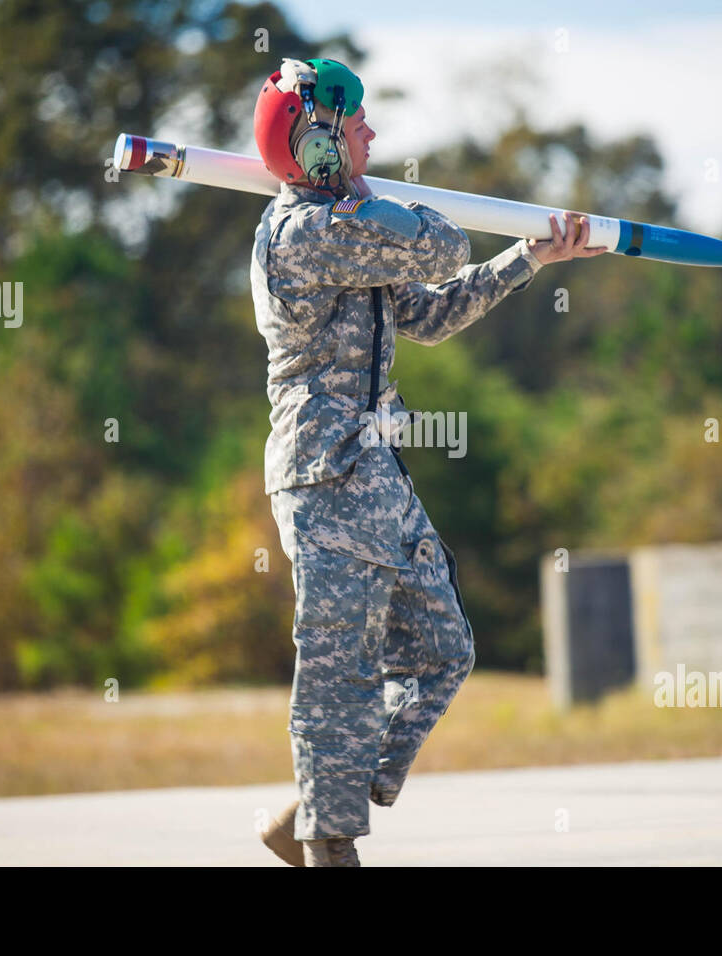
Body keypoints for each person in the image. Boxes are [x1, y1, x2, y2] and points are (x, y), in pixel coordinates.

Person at [248, 57, 605, 867]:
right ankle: (329, 840)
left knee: (444, 650)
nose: (372, 131)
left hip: (378, 475)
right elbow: (437, 245)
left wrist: (530, 258)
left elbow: (434, 311)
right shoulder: (307, 234)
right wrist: (385, 206)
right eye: (358, 123)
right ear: (321, 144)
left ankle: (308, 810)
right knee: (338, 669)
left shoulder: (351, 228)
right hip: (324, 475)